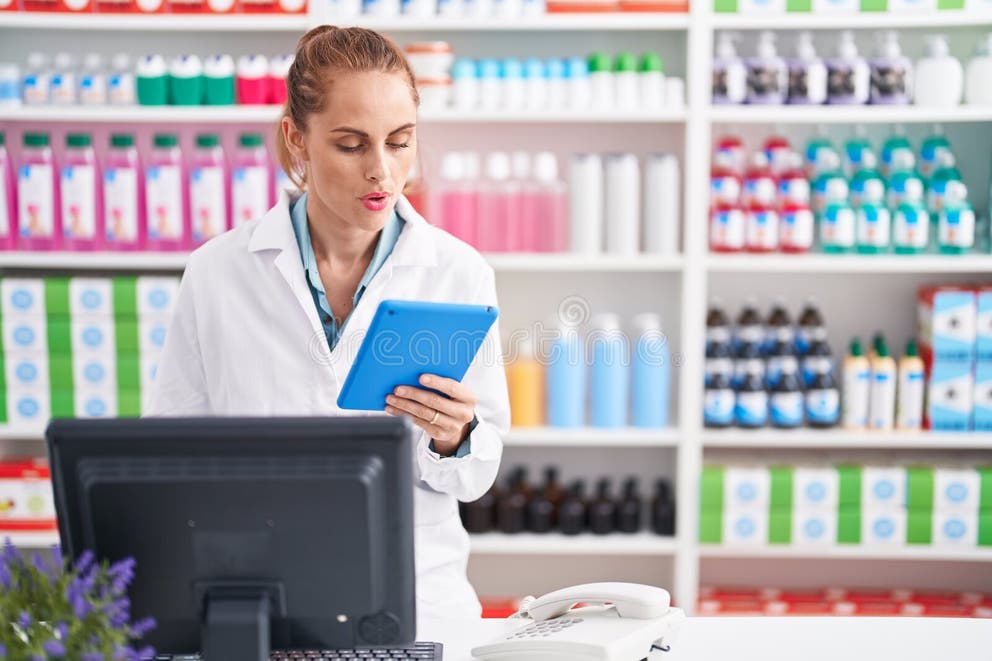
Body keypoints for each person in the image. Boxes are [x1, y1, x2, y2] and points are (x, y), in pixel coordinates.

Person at [146, 25, 510, 620]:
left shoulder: (457, 271)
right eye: (350, 144)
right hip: (263, 595)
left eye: (399, 142)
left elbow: (477, 474)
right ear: (297, 138)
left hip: (417, 599)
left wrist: (454, 436)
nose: (382, 172)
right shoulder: (216, 273)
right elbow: (172, 452)